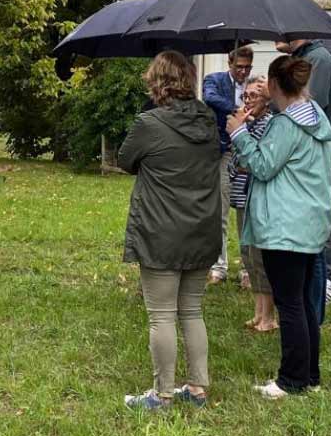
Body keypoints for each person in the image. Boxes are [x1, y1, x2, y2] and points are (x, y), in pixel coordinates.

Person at [118, 51, 221, 411]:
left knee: (161, 315)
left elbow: (124, 160)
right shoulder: (209, 120)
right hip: (201, 228)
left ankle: (162, 394)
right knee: (192, 311)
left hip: (161, 231)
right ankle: (197, 388)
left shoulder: (149, 123)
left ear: (156, 82)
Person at [228, 54, 331, 398]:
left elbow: (262, 165)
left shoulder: (286, 125)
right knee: (303, 302)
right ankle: (310, 376)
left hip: (284, 225)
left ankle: (291, 380)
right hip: (310, 220)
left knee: (289, 303)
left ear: (273, 85)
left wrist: (239, 134)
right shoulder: (317, 117)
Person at [277, 37, 331, 305]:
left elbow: (302, 106)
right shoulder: (309, 57)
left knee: (322, 219)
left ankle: (330, 280)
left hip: (317, 159)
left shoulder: (318, 59)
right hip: (309, 159)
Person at [203, 47, 254, 285]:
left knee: (246, 211)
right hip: (223, 151)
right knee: (220, 209)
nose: (243, 71)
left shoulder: (254, 84)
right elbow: (210, 97)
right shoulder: (215, 80)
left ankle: (247, 268)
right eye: (239, 67)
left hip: (246, 151)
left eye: (247, 67)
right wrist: (237, 109)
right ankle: (218, 266)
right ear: (230, 62)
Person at [230, 76, 276, 332]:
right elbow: (234, 162)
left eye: (254, 96)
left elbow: (256, 162)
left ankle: (269, 316)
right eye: (245, 96)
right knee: (248, 255)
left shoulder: (268, 125)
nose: (247, 100)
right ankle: (258, 312)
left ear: (267, 101)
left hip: (257, 199)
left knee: (259, 257)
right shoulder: (247, 125)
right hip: (241, 197)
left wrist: (242, 159)